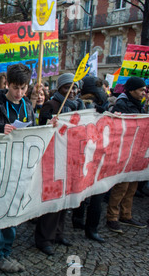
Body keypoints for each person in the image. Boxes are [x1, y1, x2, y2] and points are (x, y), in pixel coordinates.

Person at [0, 63, 38, 273]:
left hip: (18, 166)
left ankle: (6, 249)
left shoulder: (28, 106)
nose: (20, 93)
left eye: (24, 89)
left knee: (13, 210)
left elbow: (33, 131)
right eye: (16, 88)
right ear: (8, 84)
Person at [35, 73, 85, 256]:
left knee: (65, 200)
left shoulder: (80, 106)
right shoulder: (52, 105)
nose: (72, 92)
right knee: (52, 200)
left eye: (75, 88)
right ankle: (44, 238)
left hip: (70, 157)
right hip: (53, 158)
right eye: (67, 88)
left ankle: (58, 233)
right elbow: (41, 127)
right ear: (60, 88)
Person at [106, 76, 148, 233]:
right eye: (141, 90)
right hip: (124, 151)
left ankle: (126, 214)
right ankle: (112, 217)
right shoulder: (122, 104)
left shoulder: (138, 104)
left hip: (136, 150)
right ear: (132, 90)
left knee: (132, 184)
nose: (144, 93)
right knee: (122, 185)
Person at [72, 76, 110, 243]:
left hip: (96, 151)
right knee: (89, 191)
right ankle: (85, 223)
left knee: (94, 192)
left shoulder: (99, 104)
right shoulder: (81, 104)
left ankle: (85, 223)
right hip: (86, 151)